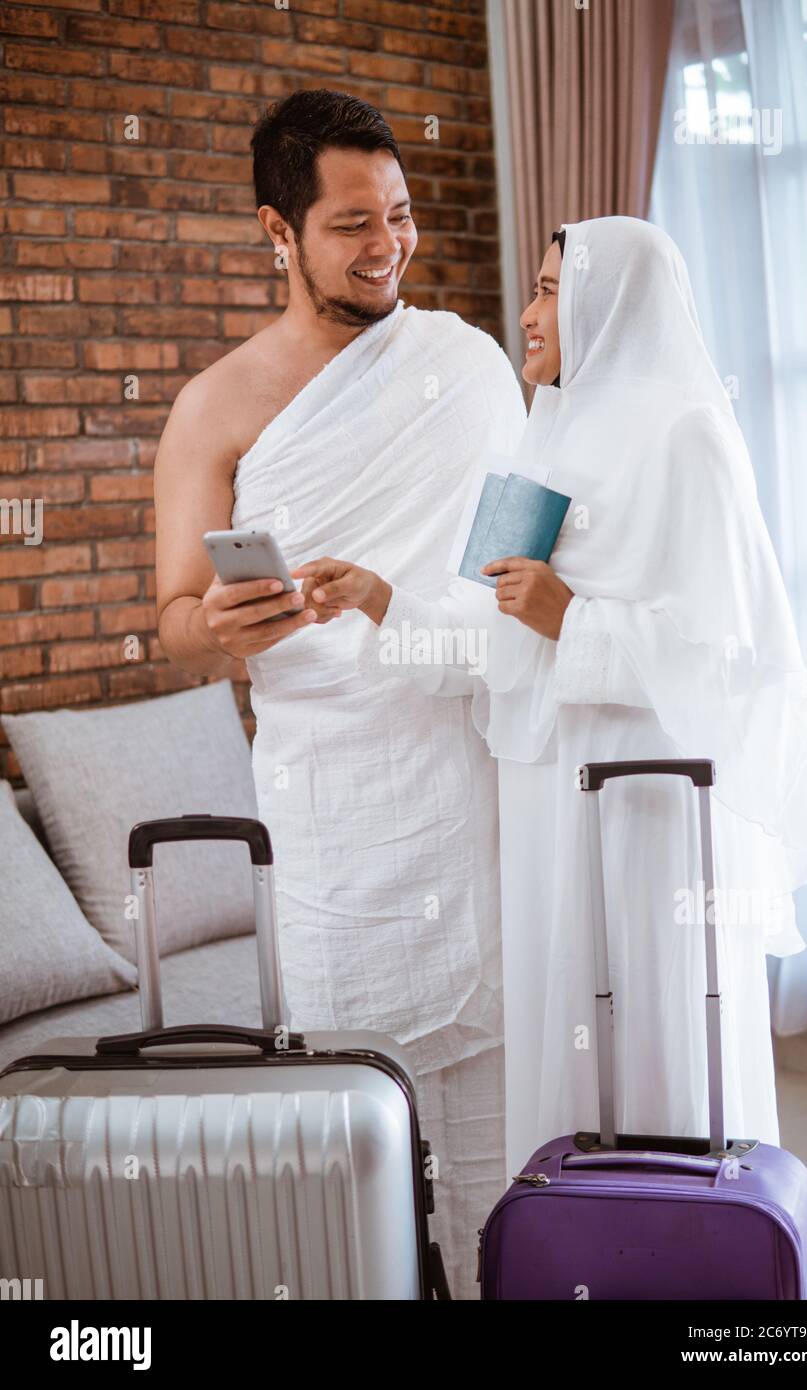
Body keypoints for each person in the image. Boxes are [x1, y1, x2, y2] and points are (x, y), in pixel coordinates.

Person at [294, 215, 807, 1180]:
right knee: (567, 1035)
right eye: (536, 289)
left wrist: (570, 618)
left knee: (655, 1022)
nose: (529, 314)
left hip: (650, 814)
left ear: (612, 303)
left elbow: (734, 657)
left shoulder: (690, 438)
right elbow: (483, 630)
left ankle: (683, 1260)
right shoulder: (536, 447)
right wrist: (379, 598)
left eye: (551, 290)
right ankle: (572, 1252)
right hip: (548, 807)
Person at [154, 89, 528, 1299]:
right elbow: (170, 625)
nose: (389, 245)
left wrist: (399, 606)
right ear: (279, 229)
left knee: (487, 1093)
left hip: (465, 780)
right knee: (351, 1100)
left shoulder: (463, 368)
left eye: (401, 214)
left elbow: (523, 578)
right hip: (327, 806)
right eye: (352, 222)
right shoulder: (213, 406)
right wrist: (215, 623)